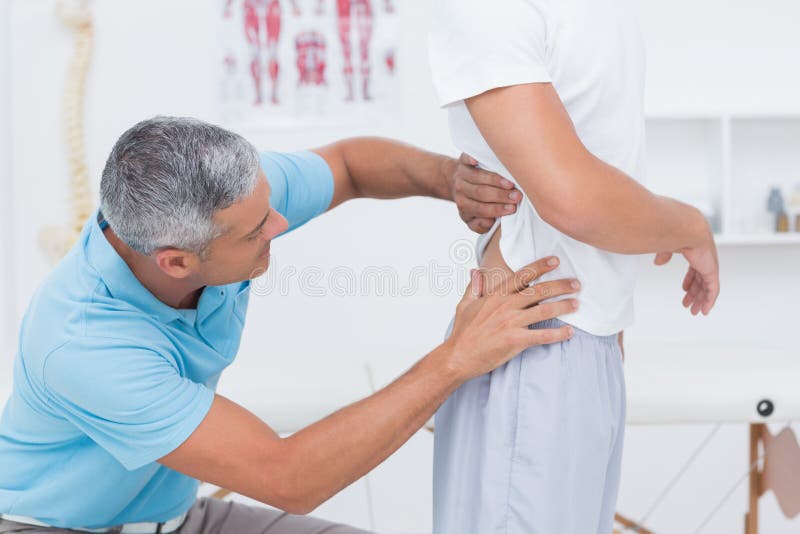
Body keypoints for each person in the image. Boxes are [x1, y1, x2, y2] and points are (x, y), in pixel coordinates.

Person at [0, 116, 580, 533]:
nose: (278, 223)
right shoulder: (85, 346)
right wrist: (456, 357)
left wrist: (447, 178)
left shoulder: (231, 200)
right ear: (176, 262)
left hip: (174, 517)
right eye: (256, 232)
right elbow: (289, 479)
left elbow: (350, 165)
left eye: (268, 209)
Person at [428, 0, 721, 532]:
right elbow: (572, 198)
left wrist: (608, 319)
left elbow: (603, 154)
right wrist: (690, 227)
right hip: (531, 337)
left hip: (585, 340)